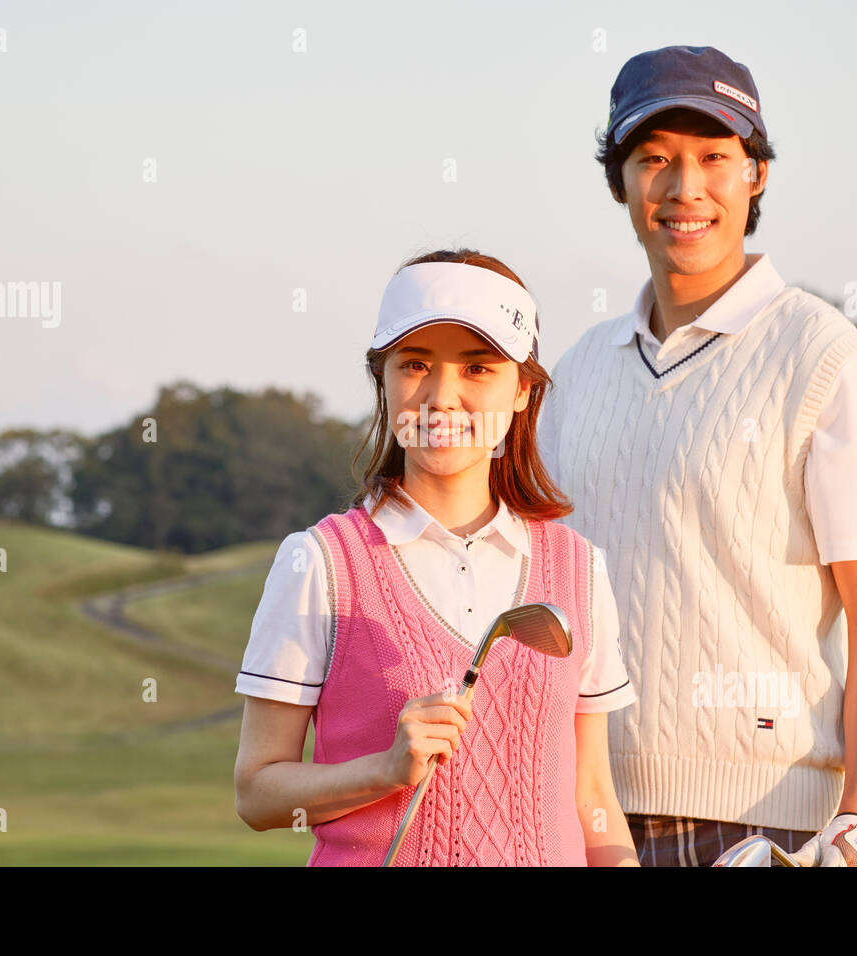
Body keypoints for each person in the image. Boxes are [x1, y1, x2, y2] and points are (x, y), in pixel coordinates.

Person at [537, 45, 857, 866]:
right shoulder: (576, 371)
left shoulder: (824, 359)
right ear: (620, 182)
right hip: (578, 814)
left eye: (714, 157)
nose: (686, 188)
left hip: (764, 827)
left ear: (757, 174)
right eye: (654, 159)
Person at [234, 248, 639, 866]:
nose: (442, 397)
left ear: (523, 390)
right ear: (384, 378)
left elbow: (592, 796)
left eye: (478, 368)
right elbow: (257, 793)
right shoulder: (318, 563)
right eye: (416, 364)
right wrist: (385, 770)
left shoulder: (579, 568)